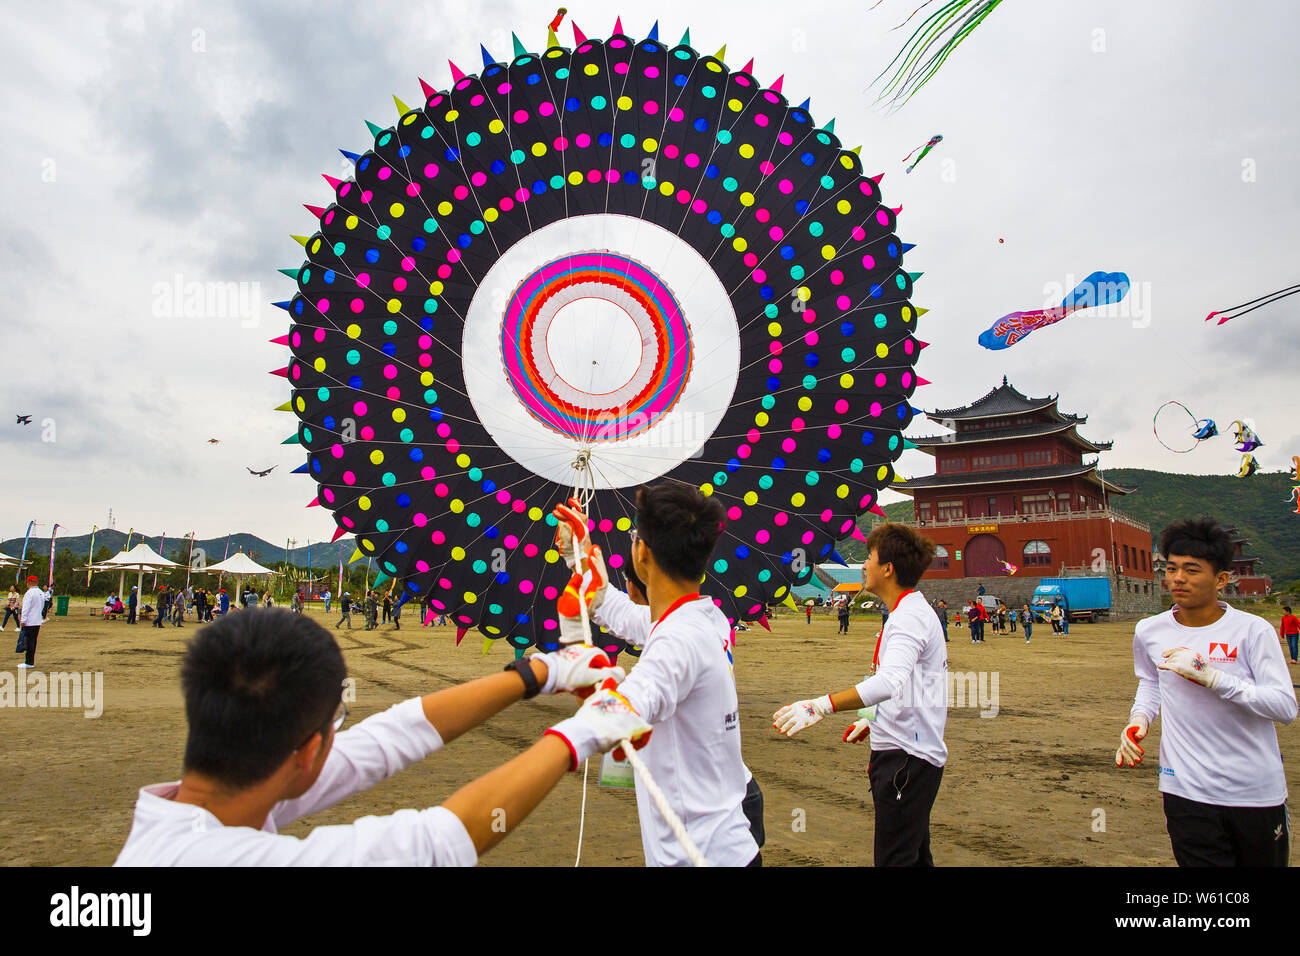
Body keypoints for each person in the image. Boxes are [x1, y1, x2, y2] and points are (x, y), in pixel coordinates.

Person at [114, 607, 648, 865]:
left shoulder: (199, 810)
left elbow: (390, 738)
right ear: (309, 751)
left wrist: (542, 673)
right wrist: (581, 735)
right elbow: (441, 839)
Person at [566, 485, 762, 866]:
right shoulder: (706, 618)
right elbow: (624, 613)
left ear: (642, 554)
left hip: (702, 853)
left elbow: (619, 714)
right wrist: (579, 555)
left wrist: (559, 673)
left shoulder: (677, 640)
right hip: (729, 837)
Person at [1115, 517, 1297, 866]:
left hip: (1254, 793)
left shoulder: (1251, 631)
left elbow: (1285, 707)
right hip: (1185, 791)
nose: (1178, 578)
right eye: (1171, 568)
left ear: (1222, 579)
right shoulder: (1150, 630)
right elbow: (1151, 681)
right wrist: (1138, 720)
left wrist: (1212, 677)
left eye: (1192, 570)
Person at [774, 523, 948, 866]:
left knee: (893, 859)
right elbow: (912, 684)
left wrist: (820, 706)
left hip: (906, 761)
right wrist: (873, 718)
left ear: (888, 568)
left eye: (869, 557)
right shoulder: (908, 611)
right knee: (914, 858)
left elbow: (889, 682)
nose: (864, 564)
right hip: (907, 754)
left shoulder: (908, 617)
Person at [17, 575, 45, 668]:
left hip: (29, 621)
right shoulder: (41, 593)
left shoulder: (29, 593)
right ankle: (30, 661)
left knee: (28, 641)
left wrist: (23, 619)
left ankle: (29, 662)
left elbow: (26, 608)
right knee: (33, 641)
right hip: (37, 620)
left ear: (28, 583)